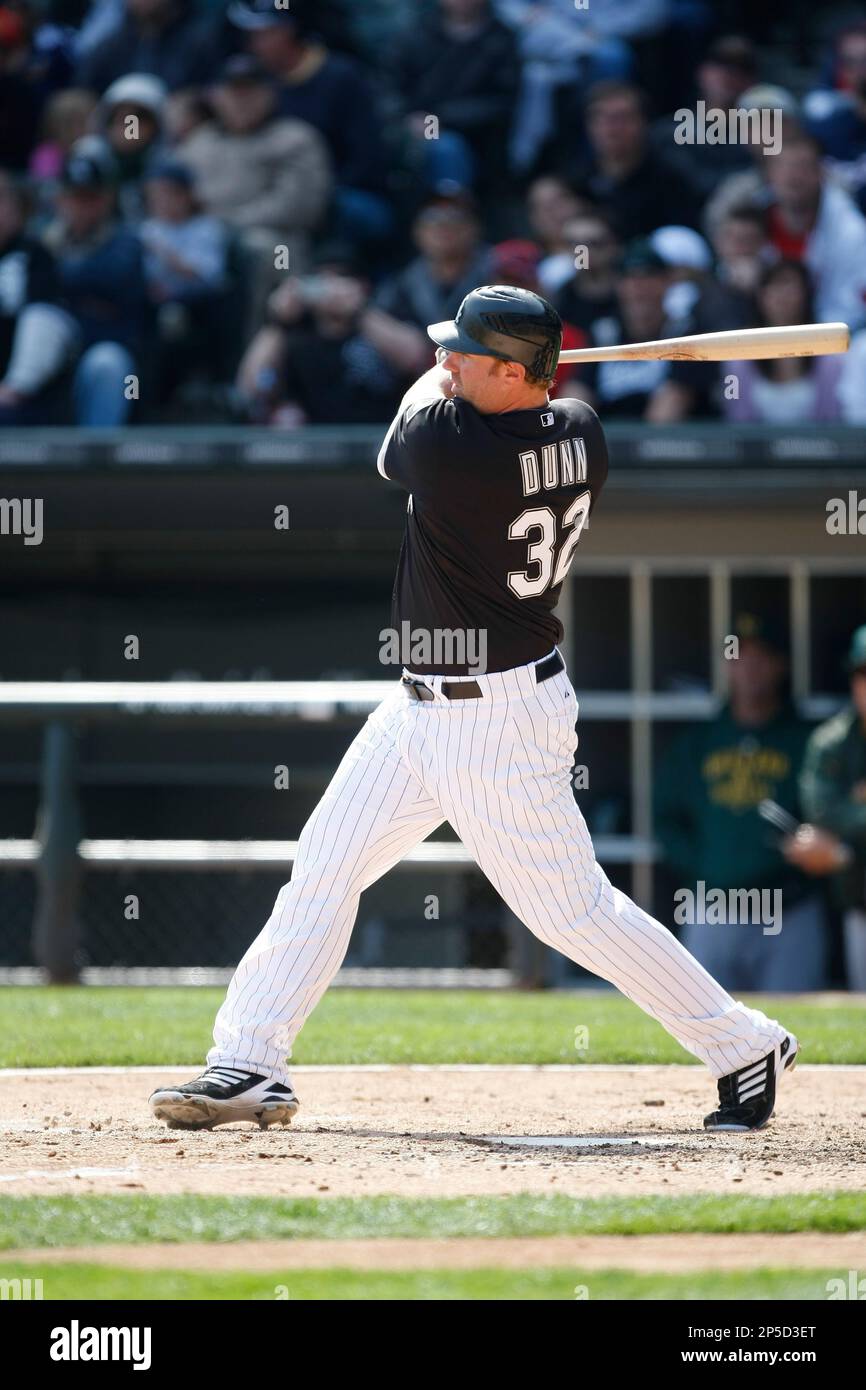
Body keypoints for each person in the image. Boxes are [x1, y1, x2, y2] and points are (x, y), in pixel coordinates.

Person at [150, 284, 798, 1136]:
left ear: (513, 372)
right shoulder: (585, 433)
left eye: (465, 353)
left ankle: (740, 1044)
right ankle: (252, 1060)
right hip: (425, 707)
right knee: (325, 865)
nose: (445, 361)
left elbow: (403, 435)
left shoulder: (451, 447)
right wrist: (495, 368)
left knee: (573, 912)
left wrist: (447, 379)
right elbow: (523, 403)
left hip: (493, 718)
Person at [655, 614, 827, 992]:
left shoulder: (807, 740)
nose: (750, 668)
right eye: (740, 656)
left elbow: (829, 812)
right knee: (706, 1025)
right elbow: (665, 819)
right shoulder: (699, 742)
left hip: (788, 910)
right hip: (713, 908)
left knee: (796, 1029)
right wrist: (703, 866)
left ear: (781, 665)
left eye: (761, 657)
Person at [228, 0, 389, 247]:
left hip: (340, 192)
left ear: (288, 30)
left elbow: (367, 157)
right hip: (275, 194)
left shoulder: (341, 76)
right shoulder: (257, 80)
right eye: (252, 35)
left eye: (263, 34)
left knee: (347, 211)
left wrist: (314, 193)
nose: (254, 44)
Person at [235, 250, 415, 426]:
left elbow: (415, 359)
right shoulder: (295, 336)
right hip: (313, 444)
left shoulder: (380, 320)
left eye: (341, 279)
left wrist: (359, 311)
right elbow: (251, 387)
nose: (331, 289)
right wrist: (278, 322)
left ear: (363, 286)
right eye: (321, 280)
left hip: (381, 436)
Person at [41, 139, 151, 426]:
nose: (81, 206)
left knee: (107, 363)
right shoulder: (44, 242)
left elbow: (112, 277)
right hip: (52, 358)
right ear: (60, 199)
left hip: (115, 360)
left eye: (90, 197)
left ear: (107, 198)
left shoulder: (126, 242)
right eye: (73, 196)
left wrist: (58, 275)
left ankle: (97, 467)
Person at [785, 625, 866, 990]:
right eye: (863, 673)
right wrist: (846, 849)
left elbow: (843, 821)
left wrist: (846, 845)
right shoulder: (832, 742)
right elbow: (822, 814)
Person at [390, 0, 519, 199]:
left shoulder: (501, 39)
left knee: (445, 148)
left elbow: (502, 102)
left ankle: (451, 218)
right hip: (408, 124)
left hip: (472, 135)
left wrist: (438, 119)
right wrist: (406, 117)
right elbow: (388, 87)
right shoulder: (415, 33)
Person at [563, 81, 703, 242]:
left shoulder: (672, 183)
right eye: (601, 118)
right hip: (586, 262)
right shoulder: (574, 181)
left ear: (644, 123)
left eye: (622, 118)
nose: (612, 128)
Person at [721, 260, 843, 424]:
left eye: (789, 286)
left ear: (806, 294)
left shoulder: (830, 359)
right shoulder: (736, 359)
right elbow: (734, 411)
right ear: (760, 296)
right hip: (754, 448)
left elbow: (834, 418)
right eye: (772, 286)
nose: (781, 295)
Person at [0, 168, 76, 424]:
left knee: (41, 316)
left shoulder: (36, 255)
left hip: (27, 398)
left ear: (18, 208)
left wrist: (17, 386)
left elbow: (46, 322)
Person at [74, 0, 225, 94]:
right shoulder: (113, 43)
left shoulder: (203, 37)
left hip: (185, 135)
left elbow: (219, 88)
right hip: (129, 124)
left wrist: (195, 103)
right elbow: (84, 89)